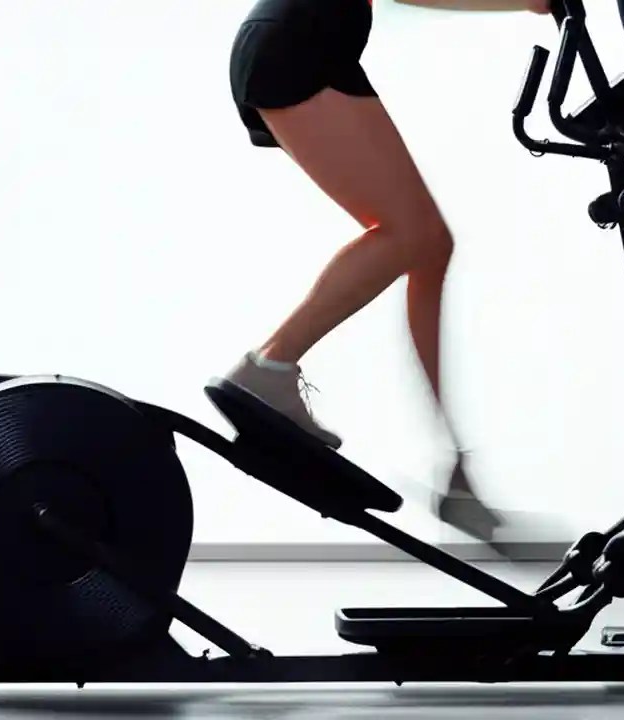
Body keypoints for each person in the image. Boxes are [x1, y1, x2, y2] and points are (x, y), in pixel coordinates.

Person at [222, 0, 553, 544]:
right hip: (294, 43)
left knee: (428, 243)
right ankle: (268, 368)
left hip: (309, 46)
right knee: (409, 234)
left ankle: (454, 466)